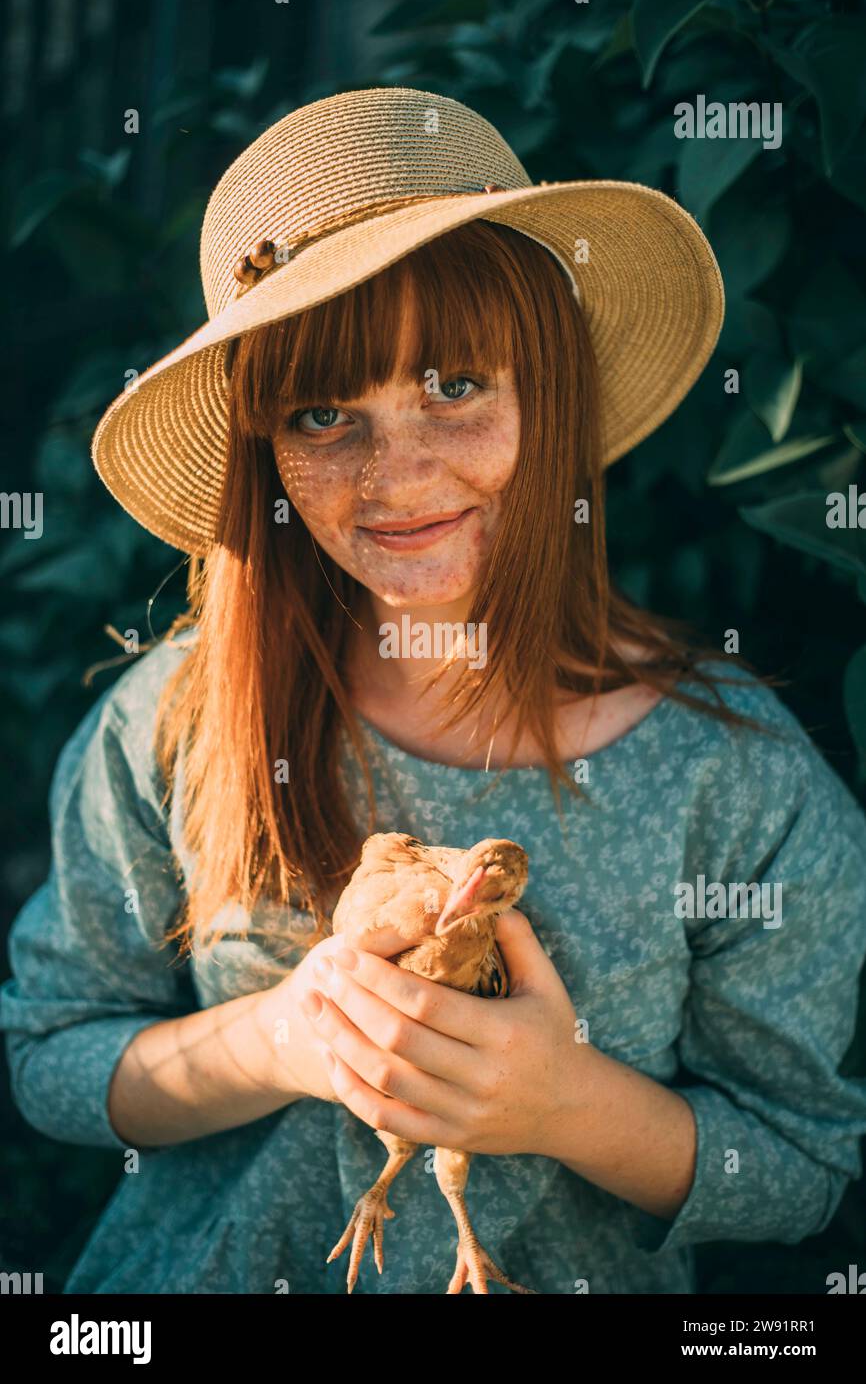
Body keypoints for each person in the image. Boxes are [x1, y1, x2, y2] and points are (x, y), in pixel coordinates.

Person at [2, 87, 865, 1296]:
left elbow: (794, 1166)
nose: (395, 476)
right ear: (267, 456)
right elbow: (50, 1056)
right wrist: (279, 1037)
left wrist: (566, 1103)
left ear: (548, 392)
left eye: (456, 385)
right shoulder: (176, 722)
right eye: (321, 414)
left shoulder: (740, 782)